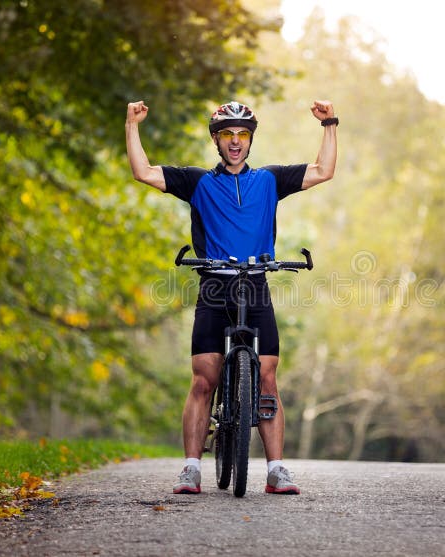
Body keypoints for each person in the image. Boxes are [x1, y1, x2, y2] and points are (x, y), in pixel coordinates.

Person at [125, 99, 337, 494]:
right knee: (204, 380)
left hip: (256, 284)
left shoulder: (270, 180)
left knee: (268, 380)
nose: (235, 142)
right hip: (215, 286)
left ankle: (276, 471)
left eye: (242, 134)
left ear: (250, 139)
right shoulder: (197, 181)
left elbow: (324, 170)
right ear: (216, 140)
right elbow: (143, 172)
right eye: (227, 135)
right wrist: (132, 124)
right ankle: (191, 468)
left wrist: (330, 124)